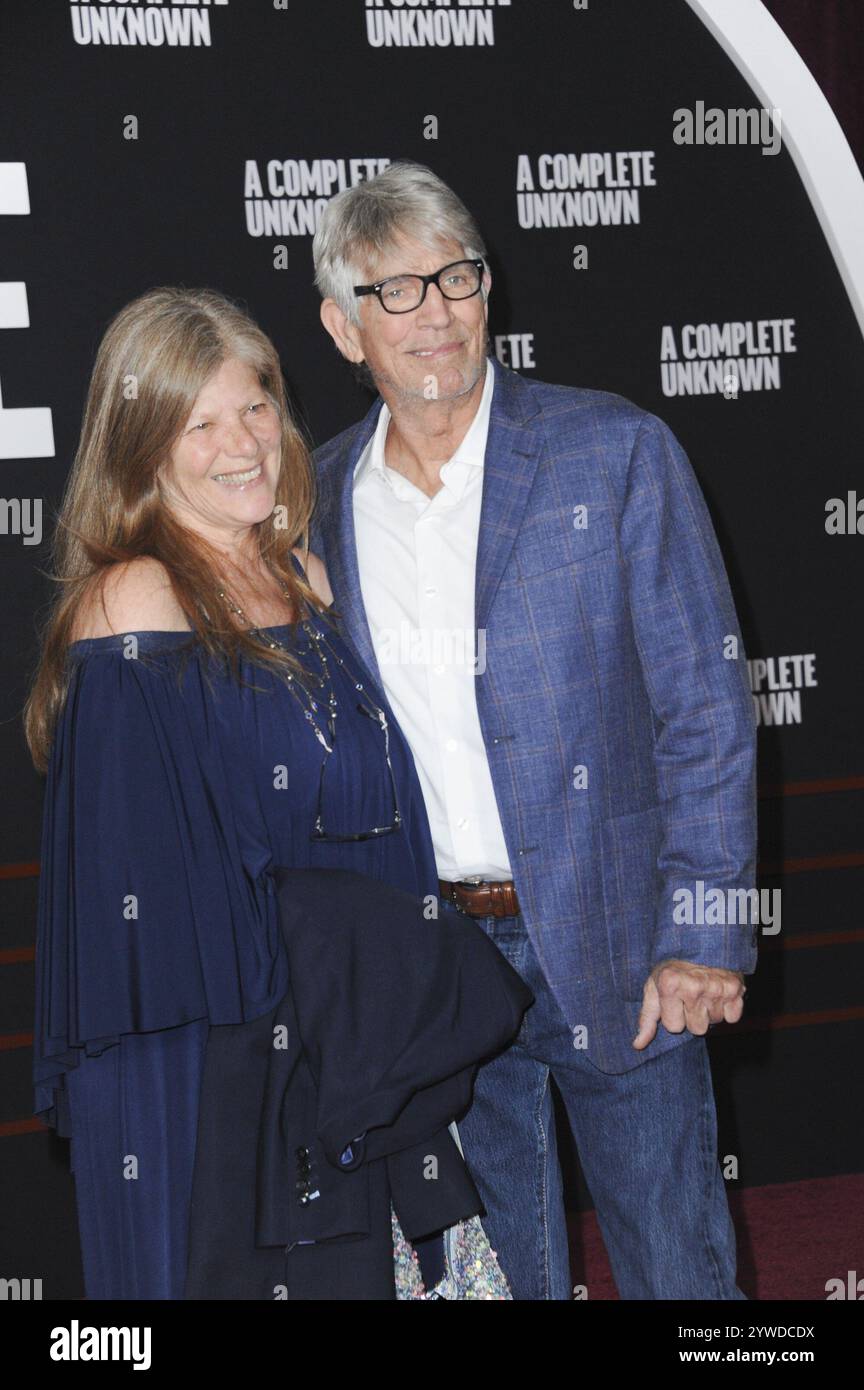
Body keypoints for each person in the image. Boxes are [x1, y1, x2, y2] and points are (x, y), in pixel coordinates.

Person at [308, 160, 759, 1300]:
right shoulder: (314, 505)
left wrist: (705, 931)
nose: (437, 313)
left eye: (456, 276)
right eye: (396, 291)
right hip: (440, 970)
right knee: (502, 1278)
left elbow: (705, 706)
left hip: (622, 947)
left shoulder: (613, 453)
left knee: (681, 1271)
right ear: (341, 326)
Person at [24, 286, 520, 1300]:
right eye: (196, 423)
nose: (240, 442)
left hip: (346, 1051)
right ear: (143, 449)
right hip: (208, 1072)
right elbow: (141, 921)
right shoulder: (136, 599)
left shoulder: (307, 579)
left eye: (253, 406)